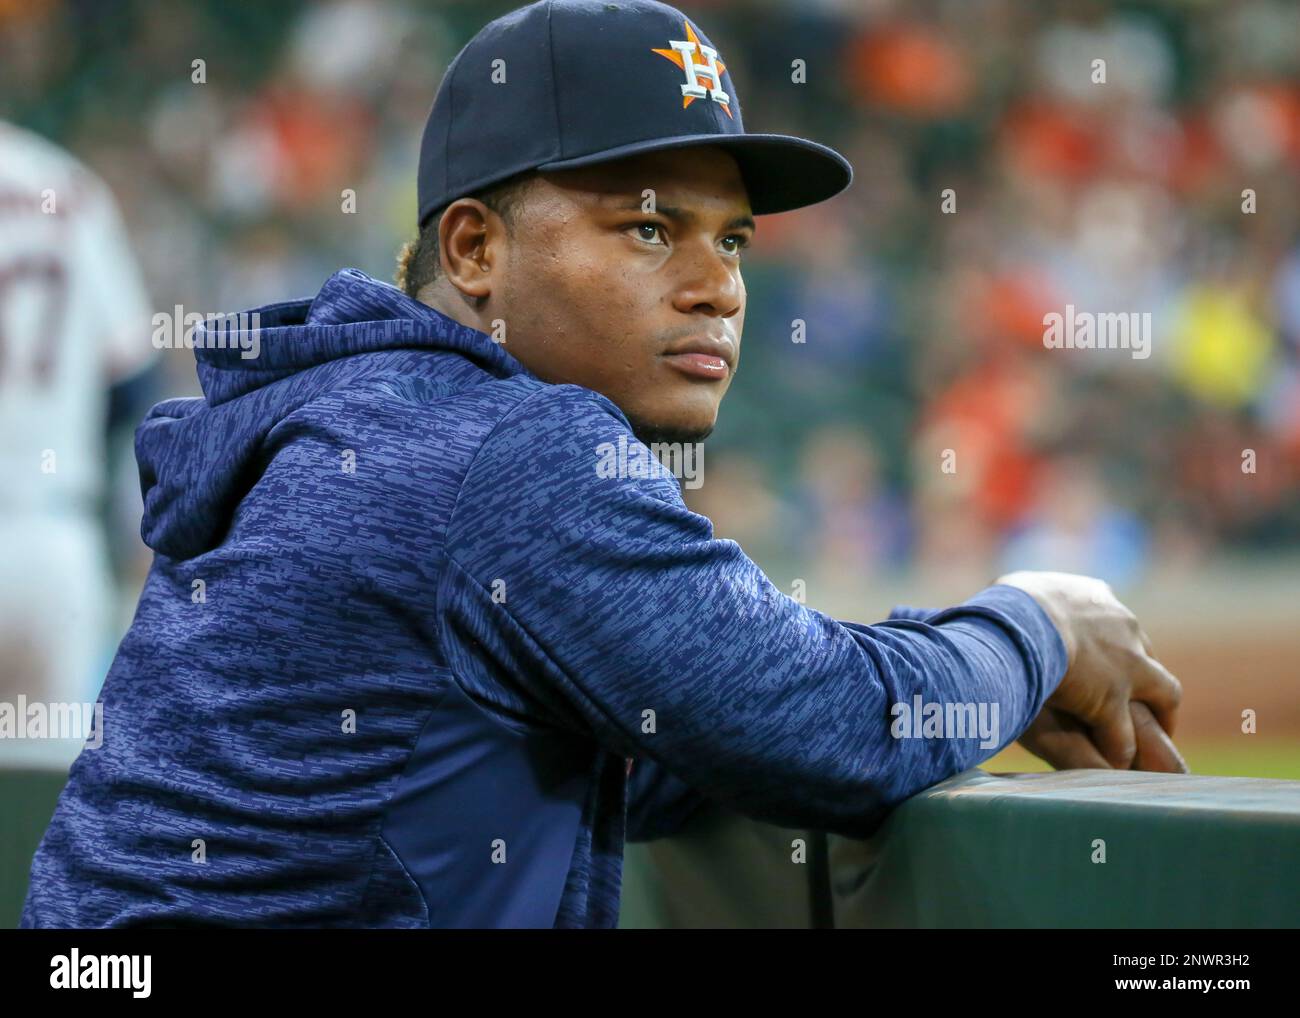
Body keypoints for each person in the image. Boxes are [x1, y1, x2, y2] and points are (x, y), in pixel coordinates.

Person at [22, 0, 1183, 930]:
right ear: (474, 248)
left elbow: (685, 723)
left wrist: (940, 680)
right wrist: (1037, 624)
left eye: (730, 238)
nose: (717, 283)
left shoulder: (354, 418)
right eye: (647, 227)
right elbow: (823, 723)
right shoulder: (514, 445)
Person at [0, 120, 162, 771]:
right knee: (40, 820)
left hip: (55, 521)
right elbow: (133, 384)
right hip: (54, 538)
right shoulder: (65, 184)